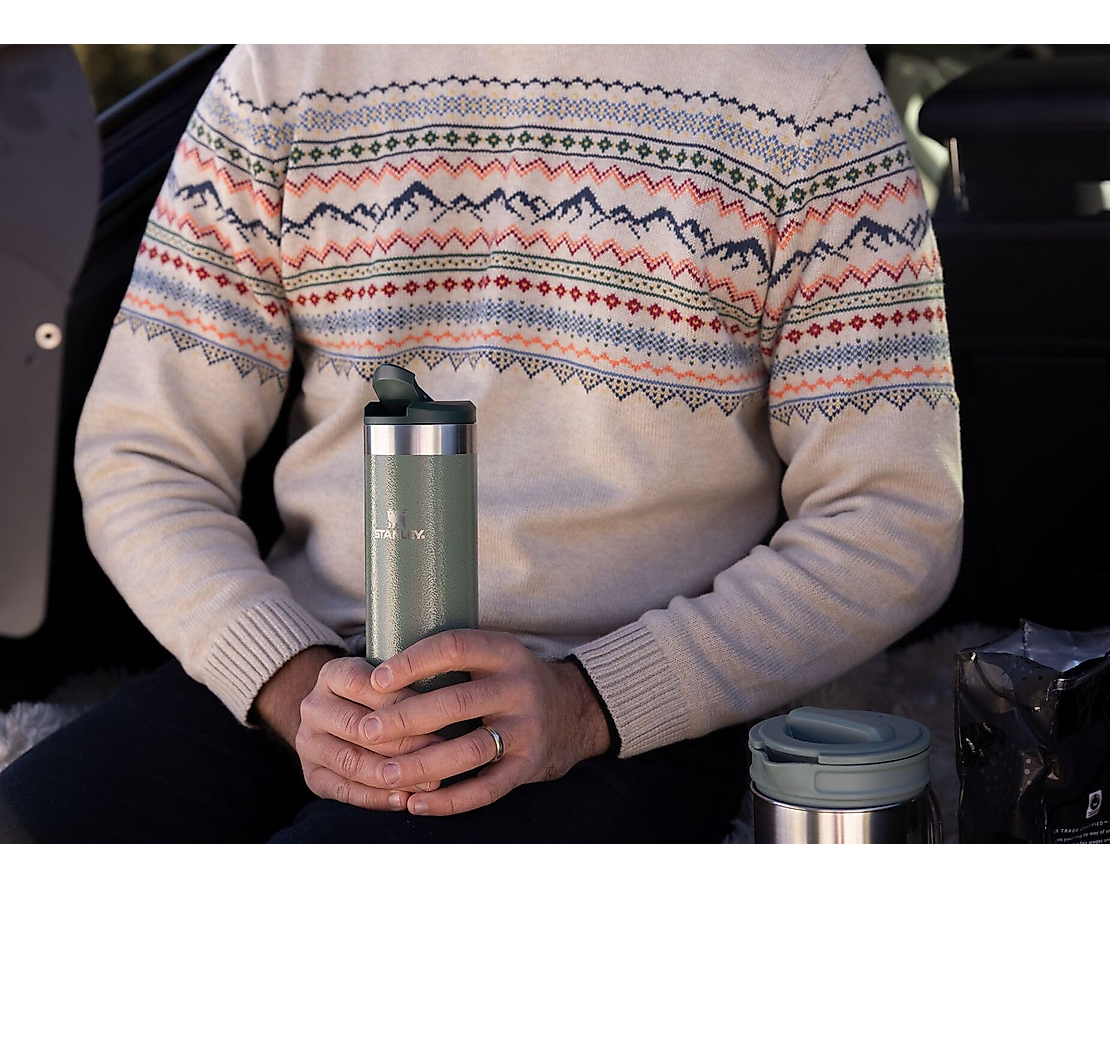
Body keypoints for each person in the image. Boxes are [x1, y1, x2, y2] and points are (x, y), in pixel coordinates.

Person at [0, 45, 963, 843]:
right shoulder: (284, 65)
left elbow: (894, 515)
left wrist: (592, 702)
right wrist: (287, 678)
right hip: (305, 673)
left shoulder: (809, 88)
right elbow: (144, 456)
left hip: (633, 712)